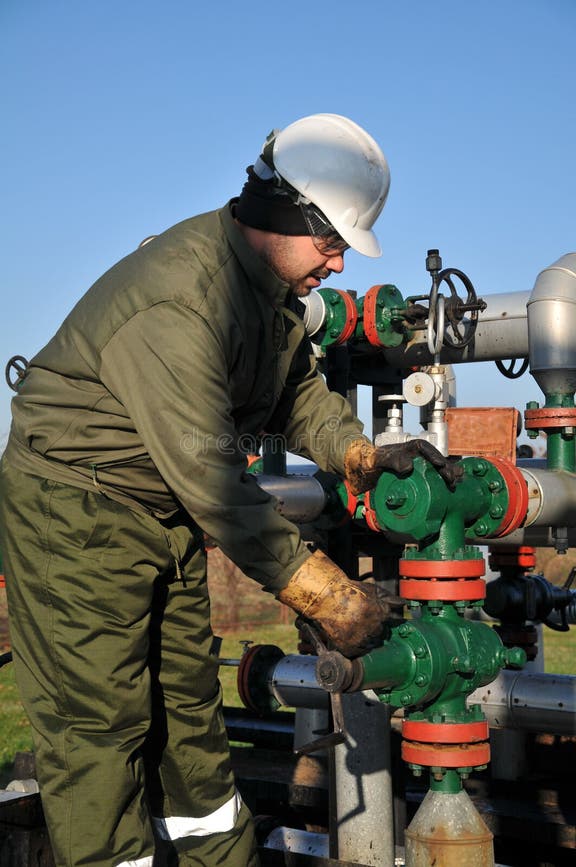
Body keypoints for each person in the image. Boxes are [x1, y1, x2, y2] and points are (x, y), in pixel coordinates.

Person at [0, 113, 459, 867]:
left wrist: (359, 455)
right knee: (100, 724)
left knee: (188, 705)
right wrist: (328, 596)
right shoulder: (182, 302)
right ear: (286, 215)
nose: (340, 263)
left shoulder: (268, 295)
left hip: (163, 512)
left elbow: (297, 393)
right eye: (332, 242)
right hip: (77, 512)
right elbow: (215, 480)